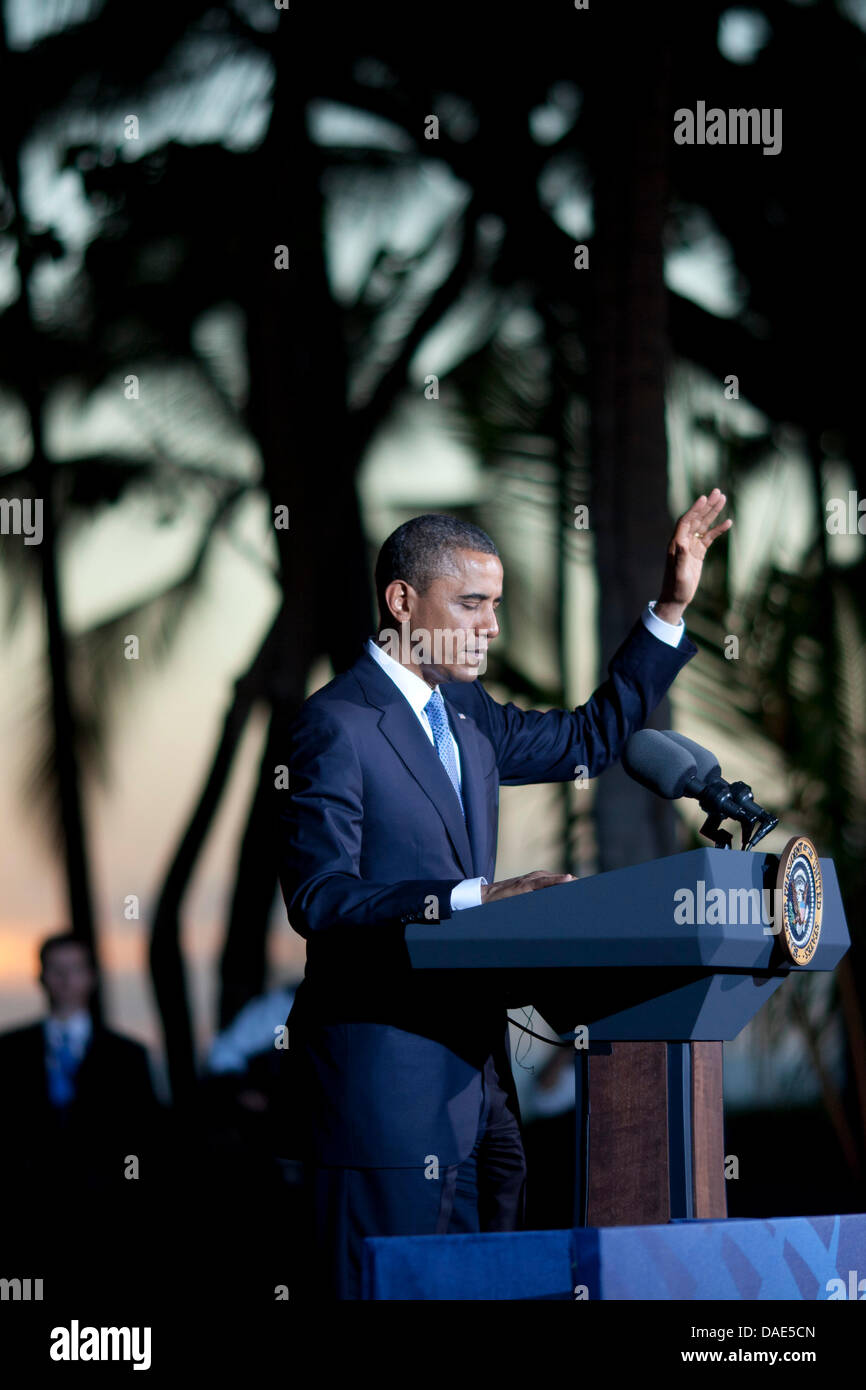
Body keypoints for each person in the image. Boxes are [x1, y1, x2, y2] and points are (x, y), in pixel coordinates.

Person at [278, 494, 732, 1299]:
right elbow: (320, 898)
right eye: (474, 603)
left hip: (482, 1090)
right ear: (403, 601)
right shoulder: (337, 725)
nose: (492, 626)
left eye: (497, 605)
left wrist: (670, 606)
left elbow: (592, 738)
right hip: (384, 1093)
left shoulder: (469, 713)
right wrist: (470, 899)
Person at [0, 932, 159, 1211]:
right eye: (56, 969)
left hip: (103, 1201)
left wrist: (132, 1189)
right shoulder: (9, 1050)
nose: (65, 979)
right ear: (41, 976)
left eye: (75, 969)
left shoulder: (127, 1055)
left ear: (91, 976)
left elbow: (143, 1133)